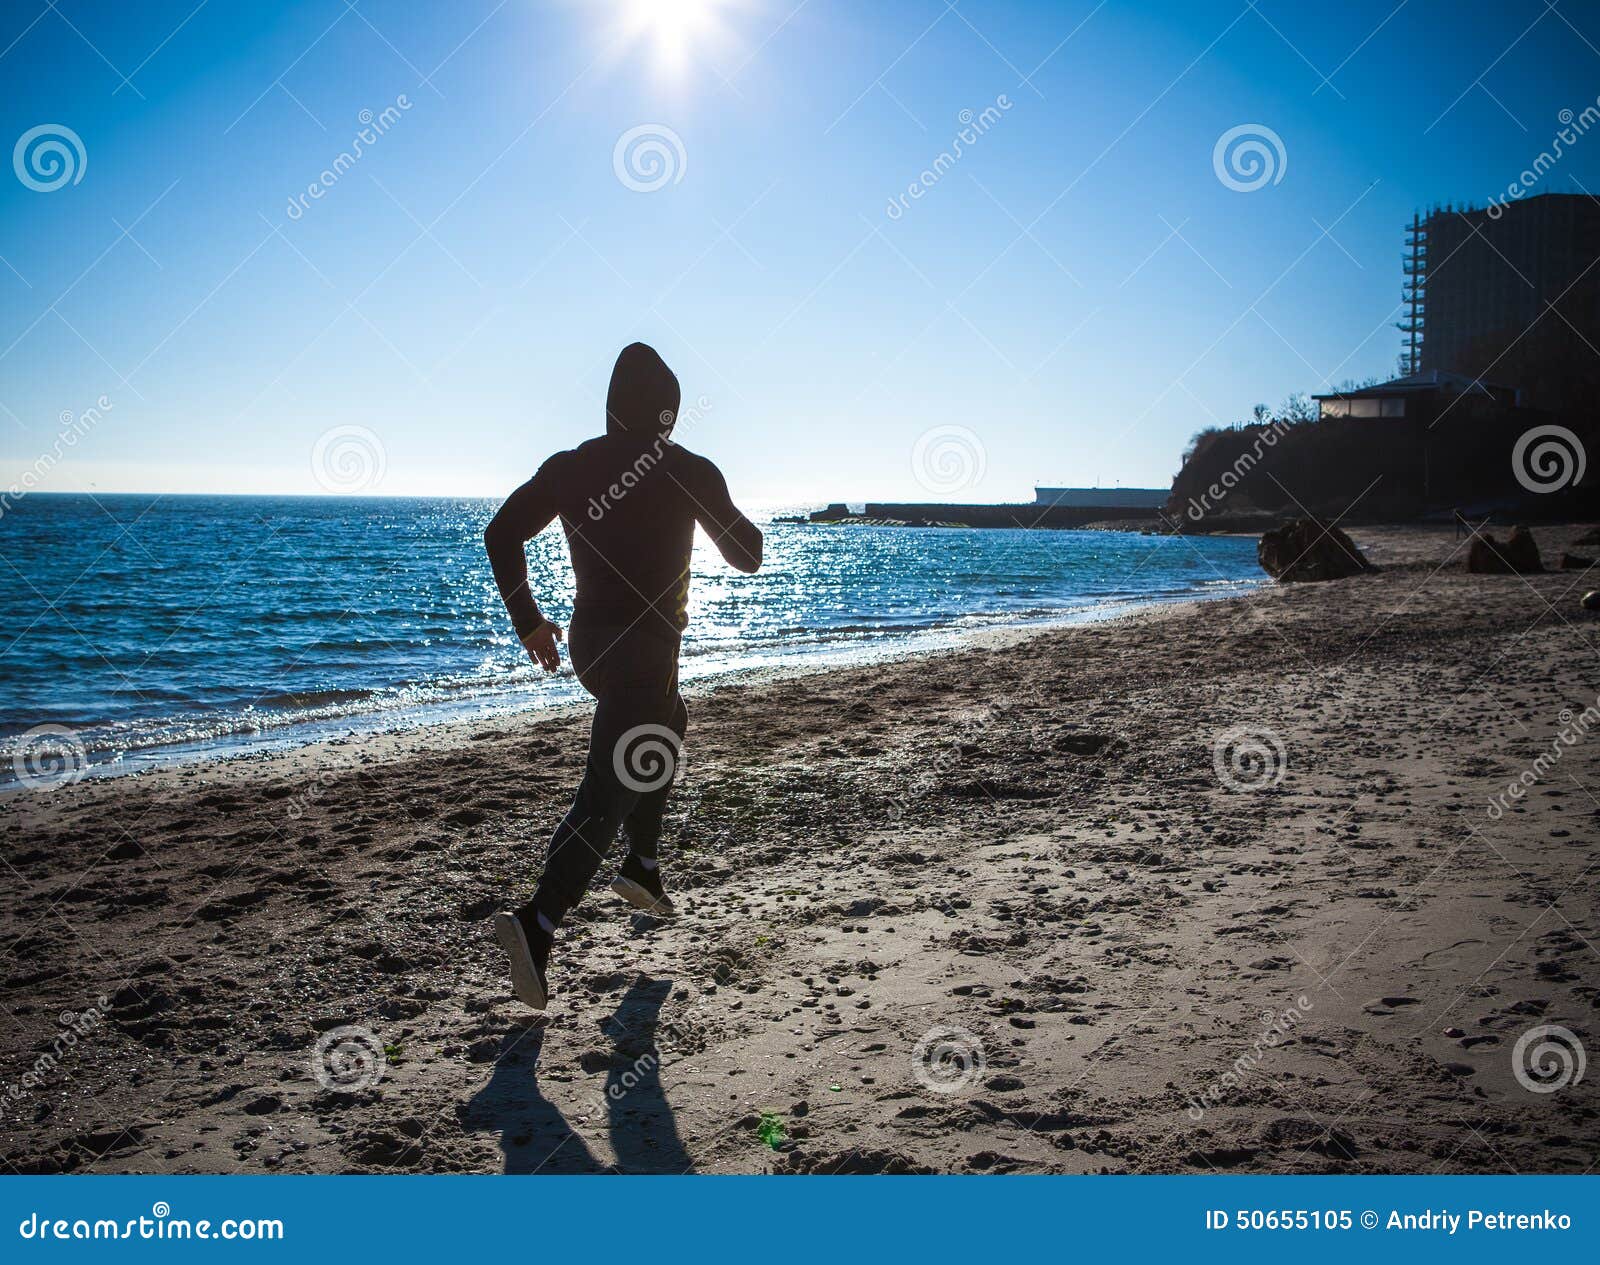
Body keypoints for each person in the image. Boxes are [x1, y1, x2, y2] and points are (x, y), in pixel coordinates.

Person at [484, 343, 762, 1010]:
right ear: (667, 415)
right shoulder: (685, 467)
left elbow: (501, 534)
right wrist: (713, 500)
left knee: (669, 725)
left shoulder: (572, 465)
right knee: (606, 790)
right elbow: (747, 553)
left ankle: (643, 865)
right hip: (644, 651)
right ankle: (537, 923)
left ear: (610, 410)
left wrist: (528, 620)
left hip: (590, 647)